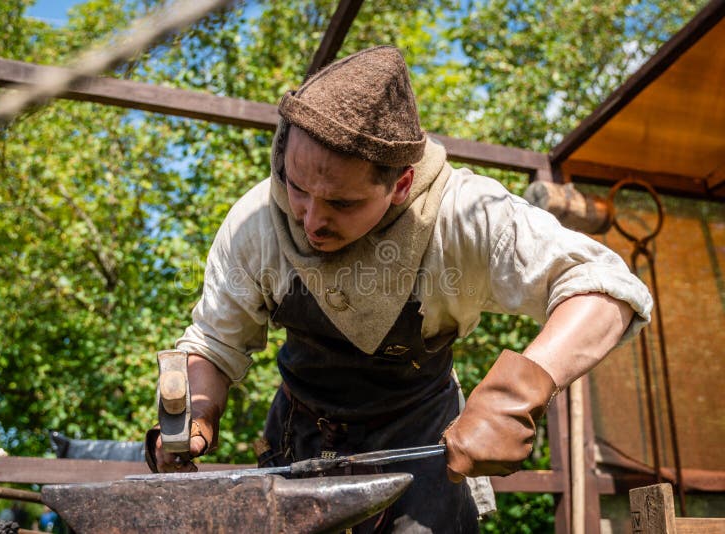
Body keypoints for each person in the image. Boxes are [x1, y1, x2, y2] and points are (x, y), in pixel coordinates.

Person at [145, 46, 651, 532]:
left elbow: (604, 285)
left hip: (426, 451)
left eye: (342, 203)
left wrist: (518, 396)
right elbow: (214, 341)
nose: (312, 221)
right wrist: (196, 414)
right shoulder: (255, 221)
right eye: (297, 187)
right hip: (297, 447)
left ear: (402, 185)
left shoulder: (464, 215)